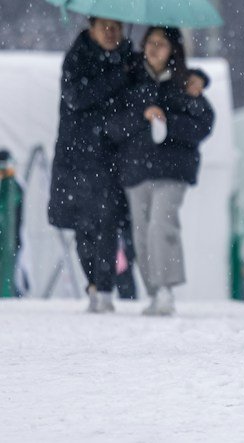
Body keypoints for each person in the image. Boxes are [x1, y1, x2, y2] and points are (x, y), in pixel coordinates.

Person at [110, 27, 214, 317]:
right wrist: (141, 117)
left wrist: (169, 123)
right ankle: (154, 290)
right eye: (150, 43)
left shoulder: (185, 84)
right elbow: (114, 125)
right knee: (141, 233)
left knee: (161, 225)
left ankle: (166, 287)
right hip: (135, 169)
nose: (154, 49)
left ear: (173, 51)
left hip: (172, 170)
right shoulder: (129, 80)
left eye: (161, 44)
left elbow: (203, 125)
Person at [48, 16, 137, 312]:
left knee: (109, 224)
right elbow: (76, 96)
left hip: (114, 157)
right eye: (105, 27)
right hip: (78, 158)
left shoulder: (130, 61)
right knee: (84, 227)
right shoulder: (77, 58)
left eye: (116, 27)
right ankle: (94, 285)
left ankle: (106, 286)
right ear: (91, 28)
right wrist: (117, 77)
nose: (111, 33)